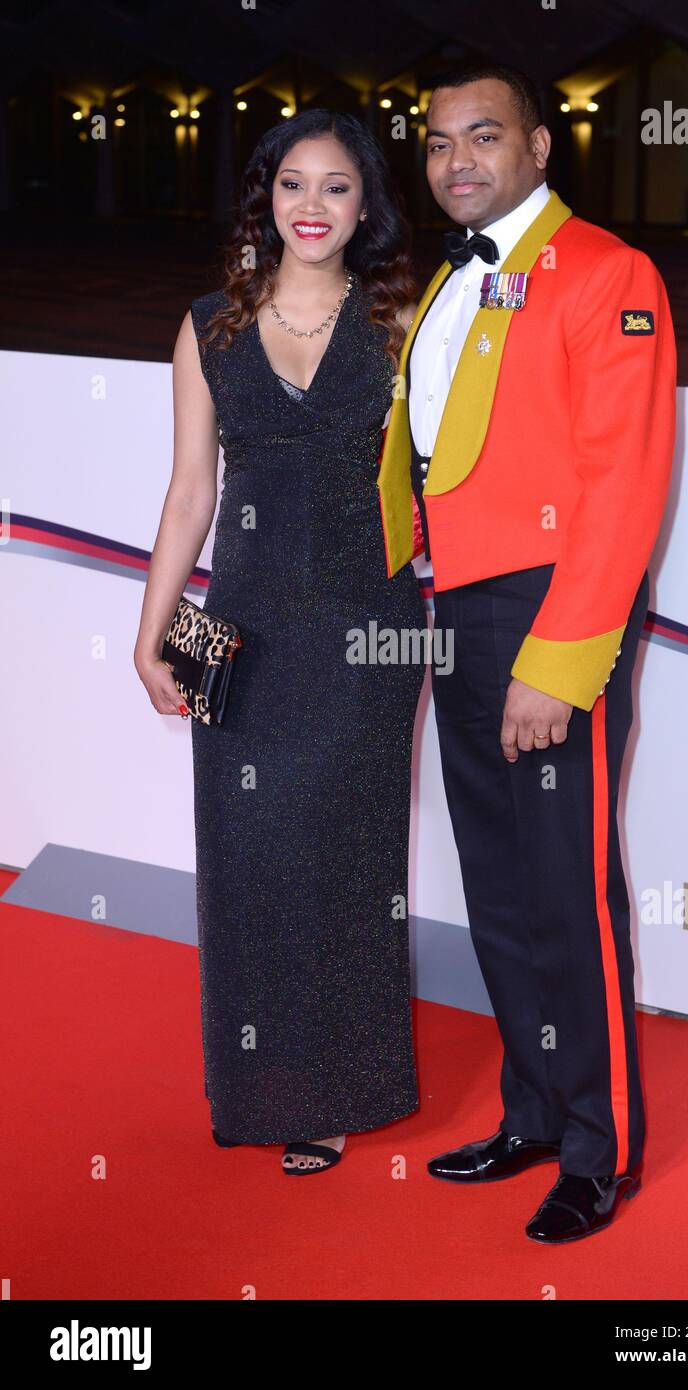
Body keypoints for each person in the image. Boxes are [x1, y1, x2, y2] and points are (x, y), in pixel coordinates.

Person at [378, 64, 677, 1240]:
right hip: (453, 608)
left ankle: (599, 1152)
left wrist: (556, 661)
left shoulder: (607, 271)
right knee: (498, 887)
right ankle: (534, 1112)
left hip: (552, 613)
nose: (456, 160)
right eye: (440, 142)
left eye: (483, 136)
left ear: (538, 147)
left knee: (566, 890)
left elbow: (623, 484)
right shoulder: (438, 283)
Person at [134, 109, 426, 1173]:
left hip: (367, 628)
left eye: (335, 188)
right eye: (291, 185)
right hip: (236, 625)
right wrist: (152, 630)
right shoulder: (208, 323)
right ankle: (260, 1082)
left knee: (346, 855)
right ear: (264, 198)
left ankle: (338, 1085)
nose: (311, 207)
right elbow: (188, 494)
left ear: (365, 206)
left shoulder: (400, 323)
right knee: (247, 854)